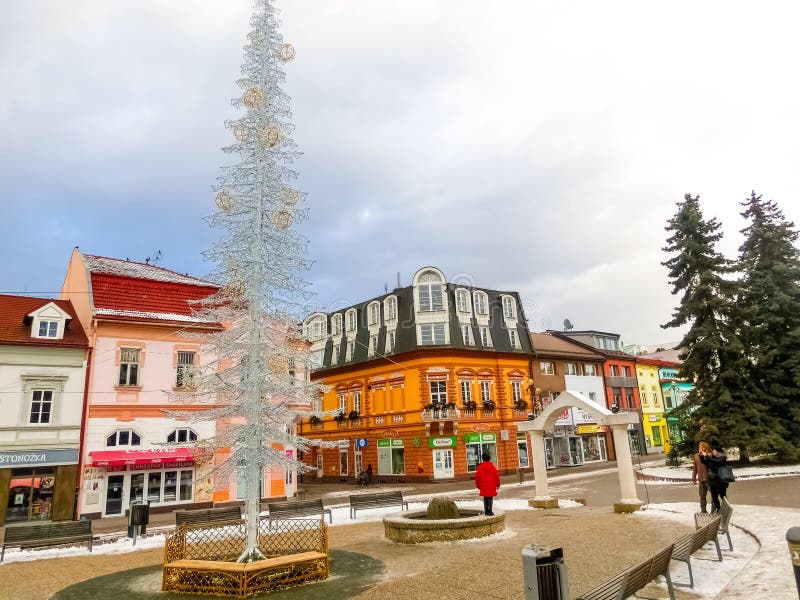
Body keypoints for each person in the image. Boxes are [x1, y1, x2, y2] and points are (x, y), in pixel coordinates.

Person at [700, 444, 730, 512]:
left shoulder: (723, 458)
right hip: (713, 481)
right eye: (713, 450)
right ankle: (719, 509)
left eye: (714, 450)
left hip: (721, 481)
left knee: (723, 496)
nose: (713, 451)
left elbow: (716, 462)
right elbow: (704, 462)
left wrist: (707, 456)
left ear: (718, 452)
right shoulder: (712, 458)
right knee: (714, 497)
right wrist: (701, 455)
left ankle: (727, 509)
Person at [691, 441, 711, 513]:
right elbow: (695, 467)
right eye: (700, 447)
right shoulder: (696, 456)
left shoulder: (709, 455)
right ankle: (703, 510)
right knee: (702, 495)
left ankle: (713, 510)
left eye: (702, 447)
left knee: (713, 495)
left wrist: (705, 455)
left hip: (709, 479)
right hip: (701, 479)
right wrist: (694, 477)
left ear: (706, 448)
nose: (700, 448)